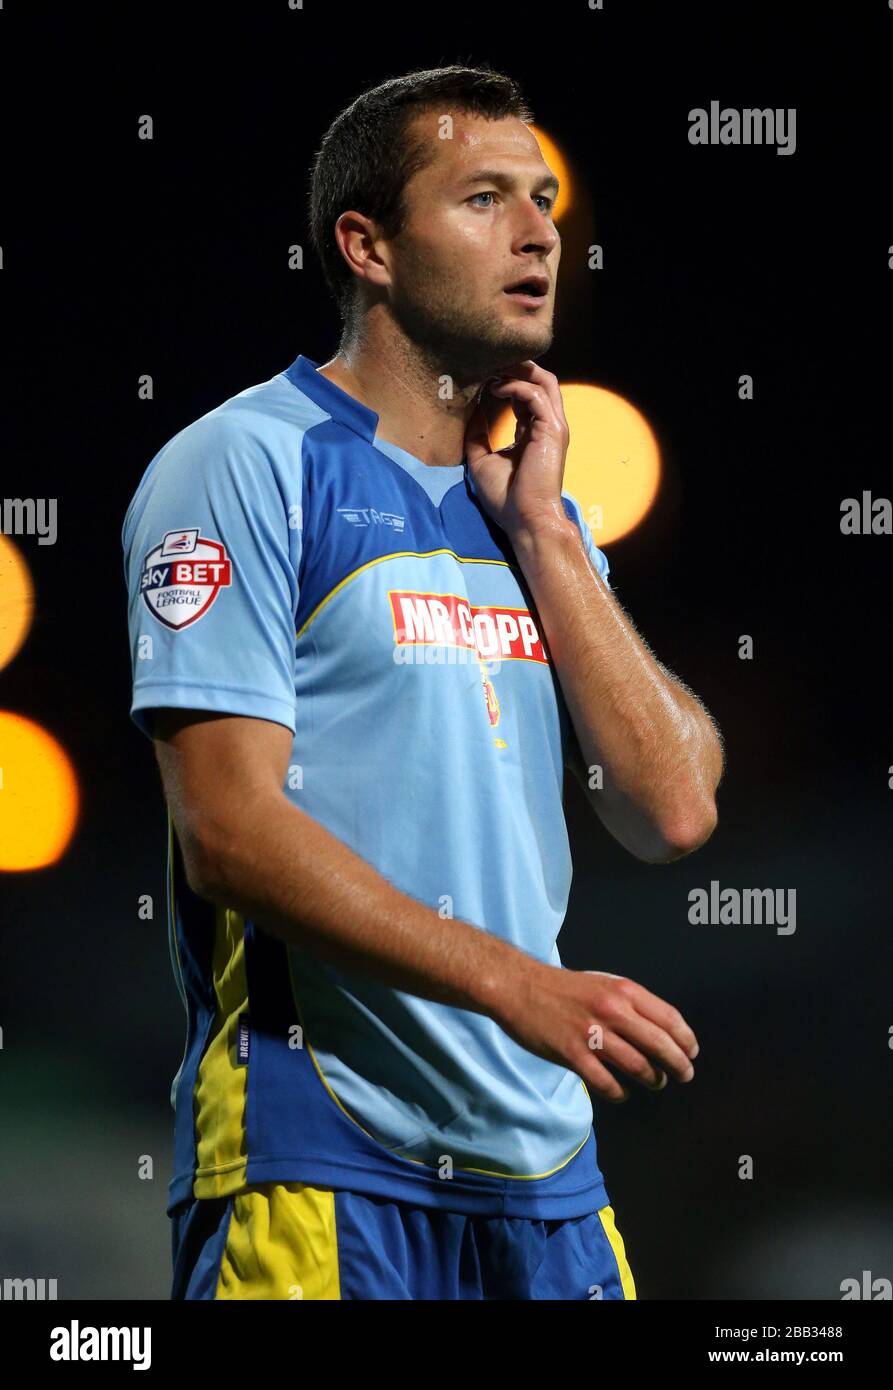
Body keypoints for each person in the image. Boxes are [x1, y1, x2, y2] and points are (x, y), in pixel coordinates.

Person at [121, 63, 723, 1301]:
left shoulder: (536, 520)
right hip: (319, 1165)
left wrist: (551, 539)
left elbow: (669, 809)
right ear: (368, 246)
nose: (538, 231)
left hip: (549, 1183)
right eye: (484, 197)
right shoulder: (240, 464)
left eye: (543, 199)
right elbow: (227, 834)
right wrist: (517, 987)